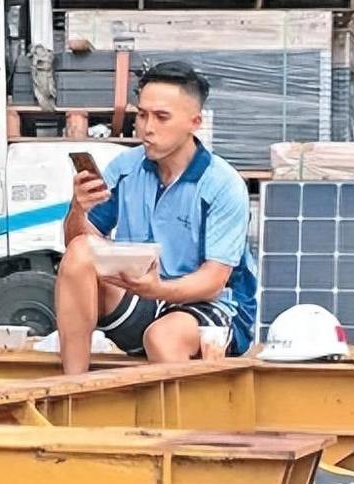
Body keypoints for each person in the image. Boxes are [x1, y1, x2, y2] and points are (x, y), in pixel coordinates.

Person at [56, 61, 257, 375]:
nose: (147, 127)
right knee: (80, 249)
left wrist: (157, 289)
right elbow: (77, 249)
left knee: (162, 336)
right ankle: (72, 387)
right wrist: (78, 209)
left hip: (207, 310)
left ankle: (182, 421)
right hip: (142, 295)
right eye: (142, 114)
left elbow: (213, 280)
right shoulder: (124, 168)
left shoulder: (223, 184)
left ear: (194, 122)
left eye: (161, 117)